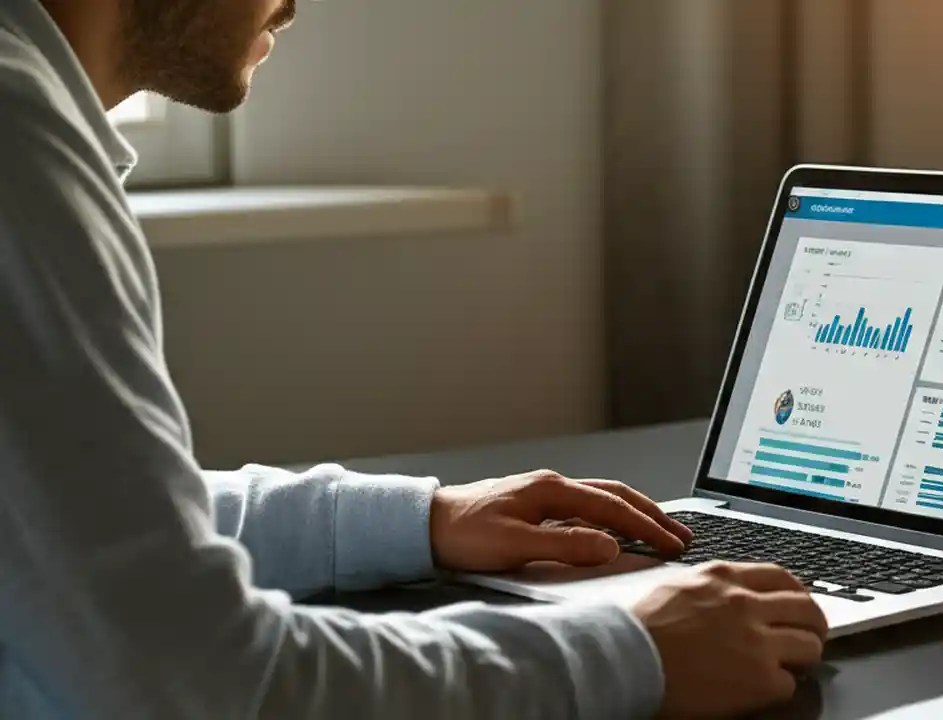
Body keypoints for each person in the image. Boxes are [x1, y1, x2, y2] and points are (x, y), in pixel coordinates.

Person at [0, 0, 829, 717]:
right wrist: (629, 654)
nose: (293, 7)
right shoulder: (19, 147)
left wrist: (413, 521)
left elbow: (77, 532)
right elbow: (193, 689)